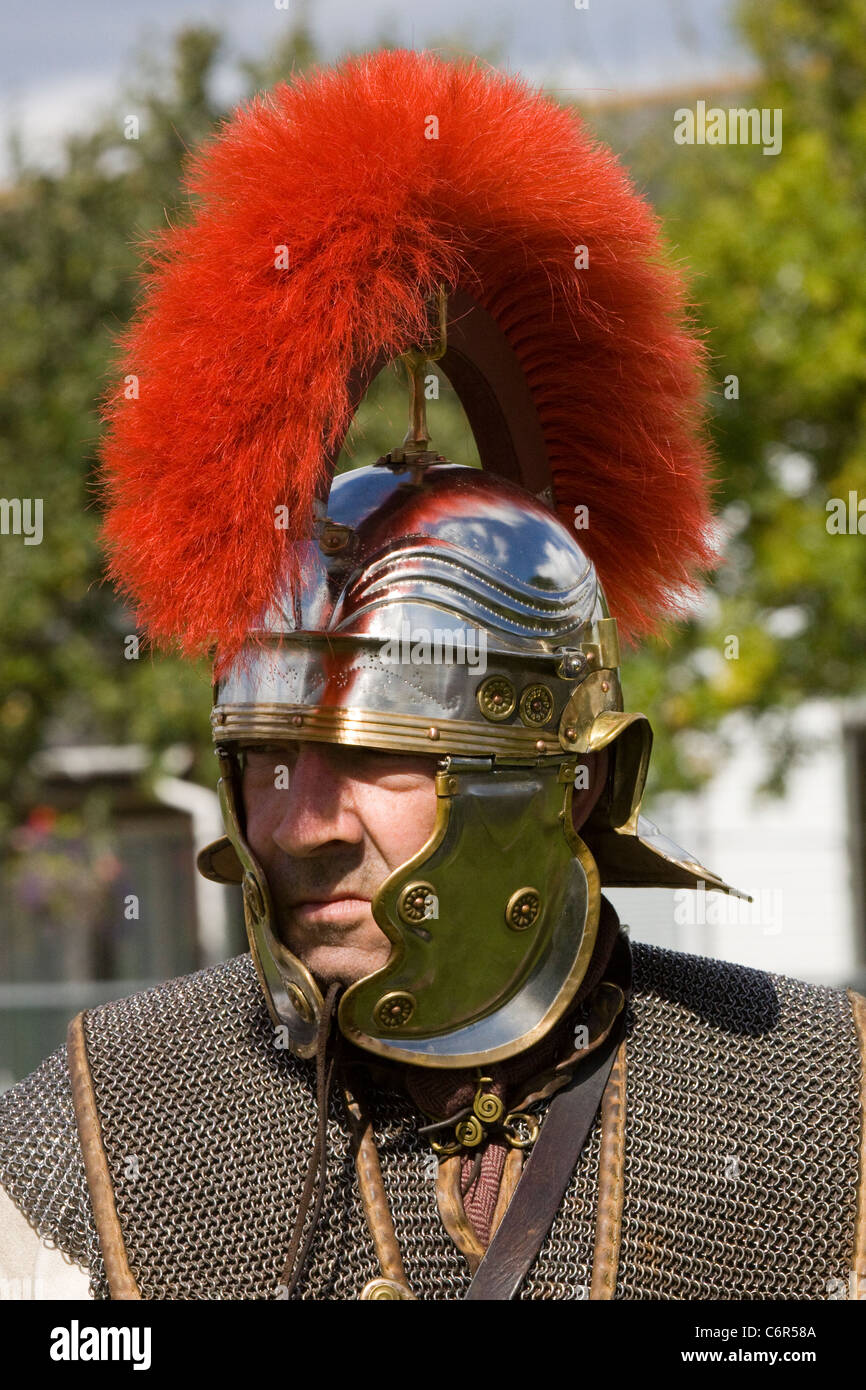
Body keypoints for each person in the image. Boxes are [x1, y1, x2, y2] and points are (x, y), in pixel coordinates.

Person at [1, 49, 863, 1303]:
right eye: (267, 761)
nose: (300, 825)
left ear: (581, 779)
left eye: (379, 753)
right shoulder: (100, 1136)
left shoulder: (818, 1112)